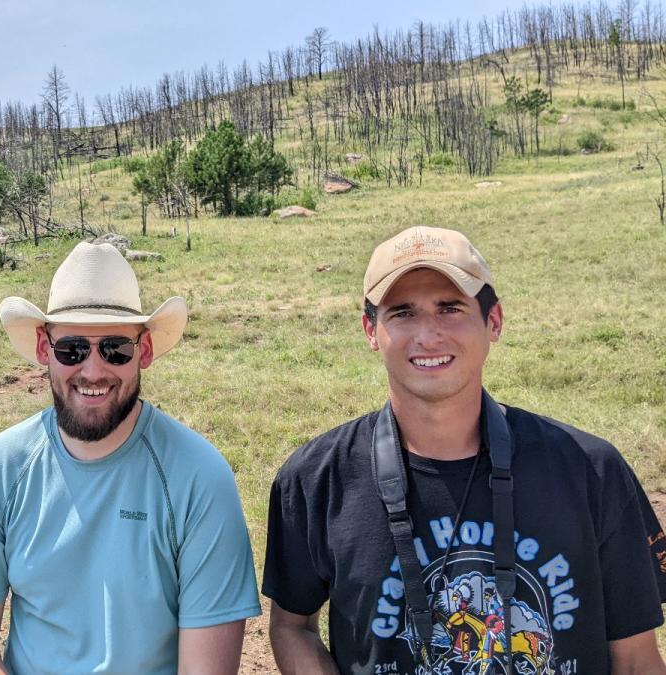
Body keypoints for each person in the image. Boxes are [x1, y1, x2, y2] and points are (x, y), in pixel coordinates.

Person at [262, 226, 666, 674]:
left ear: (493, 322)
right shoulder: (315, 479)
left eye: (450, 308)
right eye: (402, 313)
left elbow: (635, 658)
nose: (428, 335)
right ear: (370, 331)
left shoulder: (592, 470)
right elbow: (291, 625)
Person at [0, 241, 261, 674]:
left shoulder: (199, 478)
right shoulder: (1, 467)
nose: (93, 371)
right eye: (72, 349)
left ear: (144, 352)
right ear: (44, 348)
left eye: (115, 349)